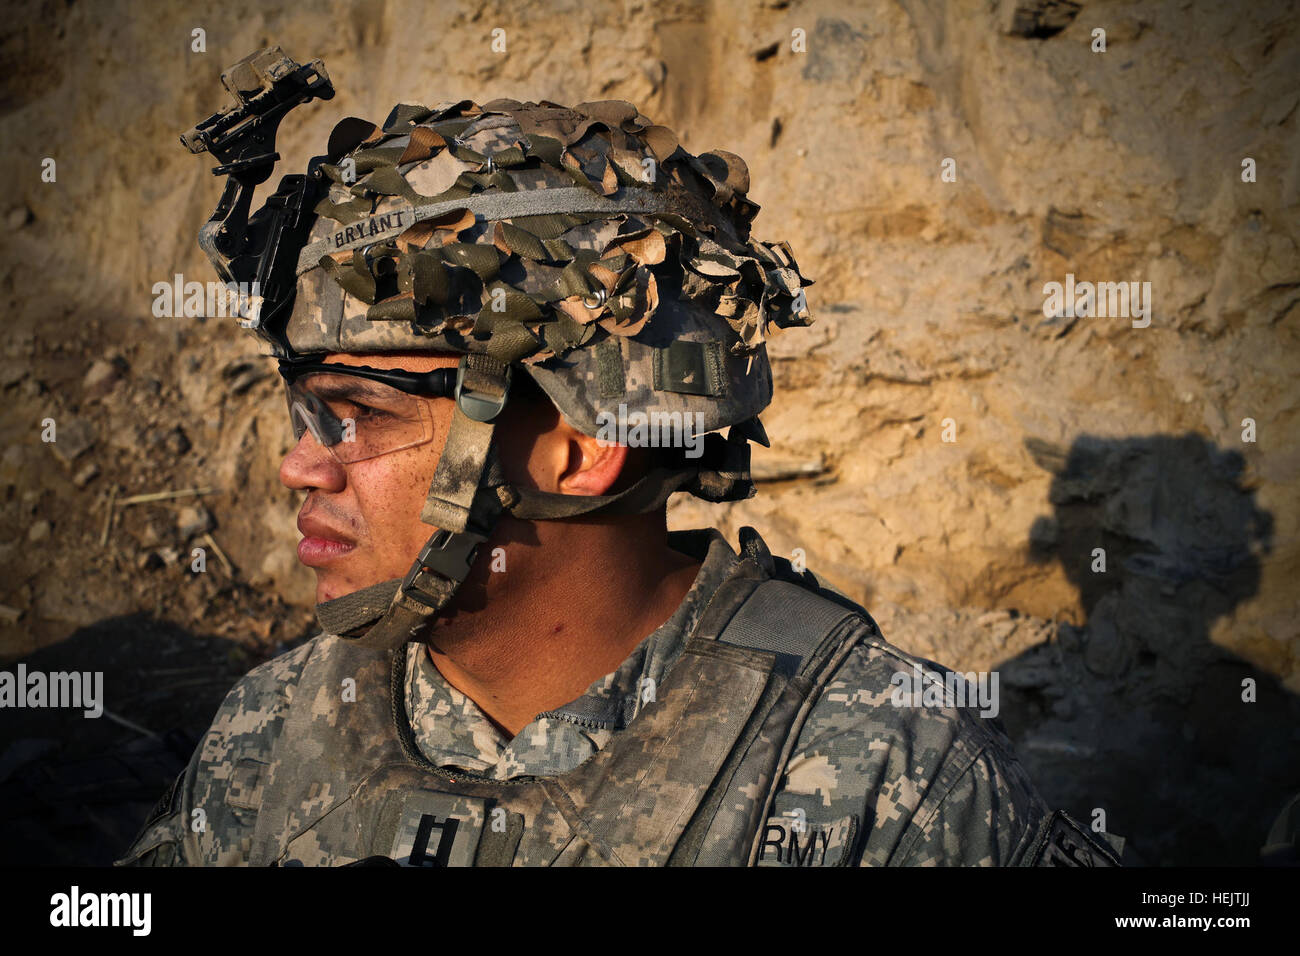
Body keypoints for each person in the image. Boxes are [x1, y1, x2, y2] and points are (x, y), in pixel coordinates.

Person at [118, 48, 1123, 867]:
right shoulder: (274, 724)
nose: (302, 467)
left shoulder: (879, 766)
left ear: (578, 446)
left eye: (361, 413)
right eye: (305, 413)